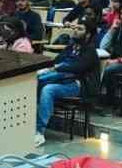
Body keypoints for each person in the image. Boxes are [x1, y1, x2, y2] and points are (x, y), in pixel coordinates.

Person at [33, 18, 99, 147]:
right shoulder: (71, 46)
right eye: (75, 28)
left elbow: (78, 67)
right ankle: (29, 124)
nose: (75, 30)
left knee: (48, 89)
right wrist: (53, 67)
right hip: (62, 79)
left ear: (88, 34)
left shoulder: (90, 50)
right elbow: (57, 60)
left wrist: (57, 67)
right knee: (36, 80)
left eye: (80, 29)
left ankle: (39, 132)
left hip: (78, 84)